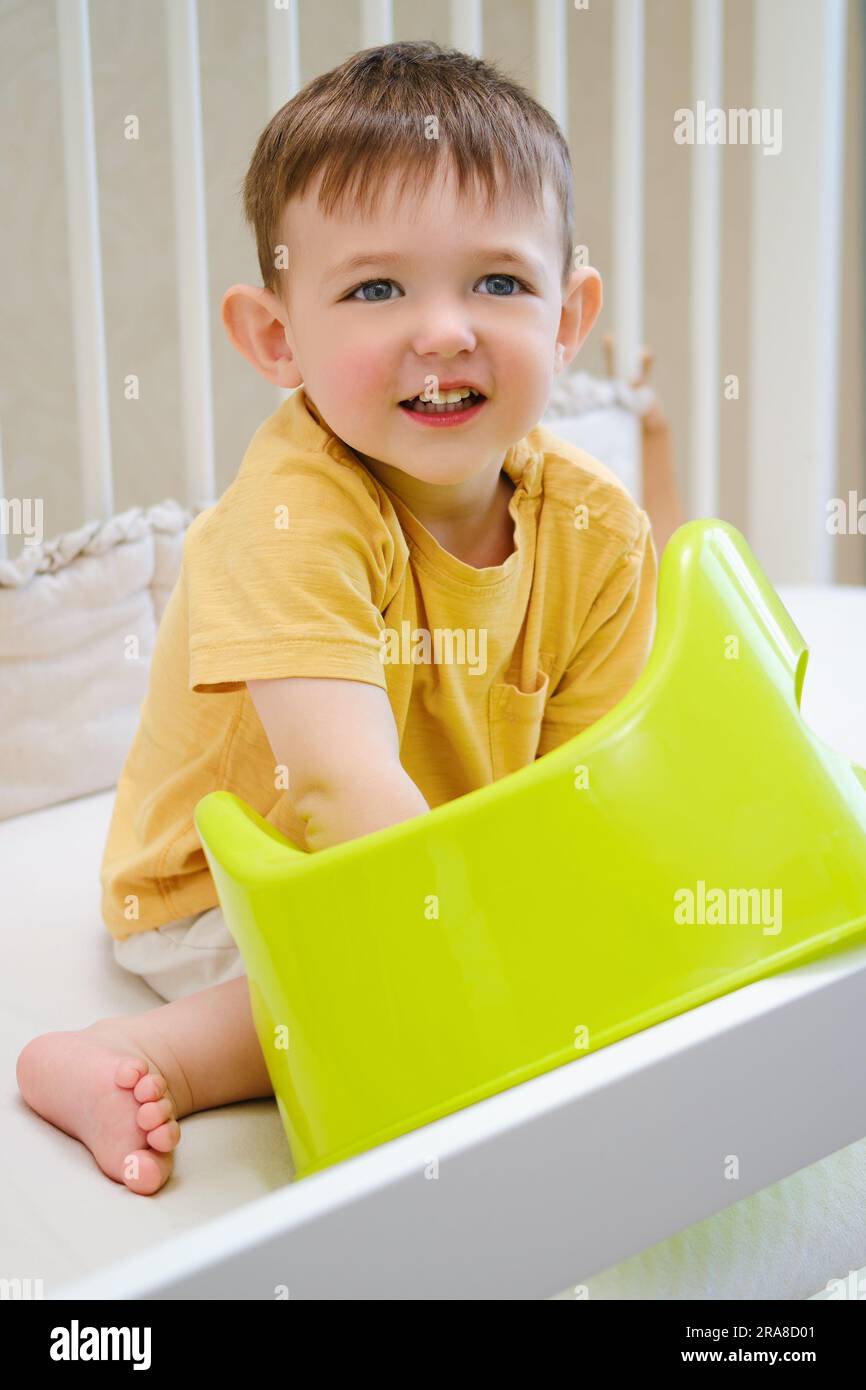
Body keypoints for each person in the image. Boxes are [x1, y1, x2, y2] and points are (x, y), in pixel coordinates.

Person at [16, 40, 657, 1194]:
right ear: (276, 338)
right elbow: (334, 789)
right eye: (376, 288)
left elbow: (587, 786)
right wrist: (463, 955)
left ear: (569, 316)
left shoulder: (599, 529)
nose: (445, 330)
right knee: (373, 986)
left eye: (498, 283)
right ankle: (133, 1053)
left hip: (430, 846)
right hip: (230, 877)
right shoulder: (294, 516)